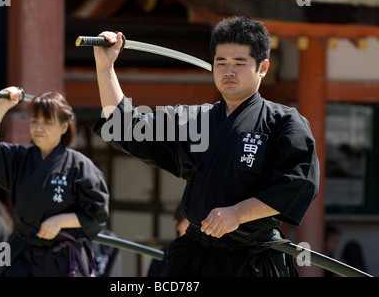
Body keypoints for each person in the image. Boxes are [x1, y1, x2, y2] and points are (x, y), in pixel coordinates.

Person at [92, 16, 319, 277]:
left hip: (254, 261)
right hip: (195, 257)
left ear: (263, 67)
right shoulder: (193, 120)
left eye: (239, 63)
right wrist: (105, 67)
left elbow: (299, 183)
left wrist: (237, 214)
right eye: (221, 62)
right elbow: (124, 125)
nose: (228, 71)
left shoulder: (284, 122)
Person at [0, 88, 109, 277]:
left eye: (47, 122)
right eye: (34, 121)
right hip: (21, 251)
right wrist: (2, 107)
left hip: (63, 258)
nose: (38, 127)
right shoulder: (19, 158)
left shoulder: (80, 166)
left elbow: (97, 212)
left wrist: (61, 221)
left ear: (64, 127)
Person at [147, 204, 189, 277]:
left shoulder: (205, 256)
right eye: (187, 222)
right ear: (176, 224)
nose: (192, 228)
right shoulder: (162, 256)